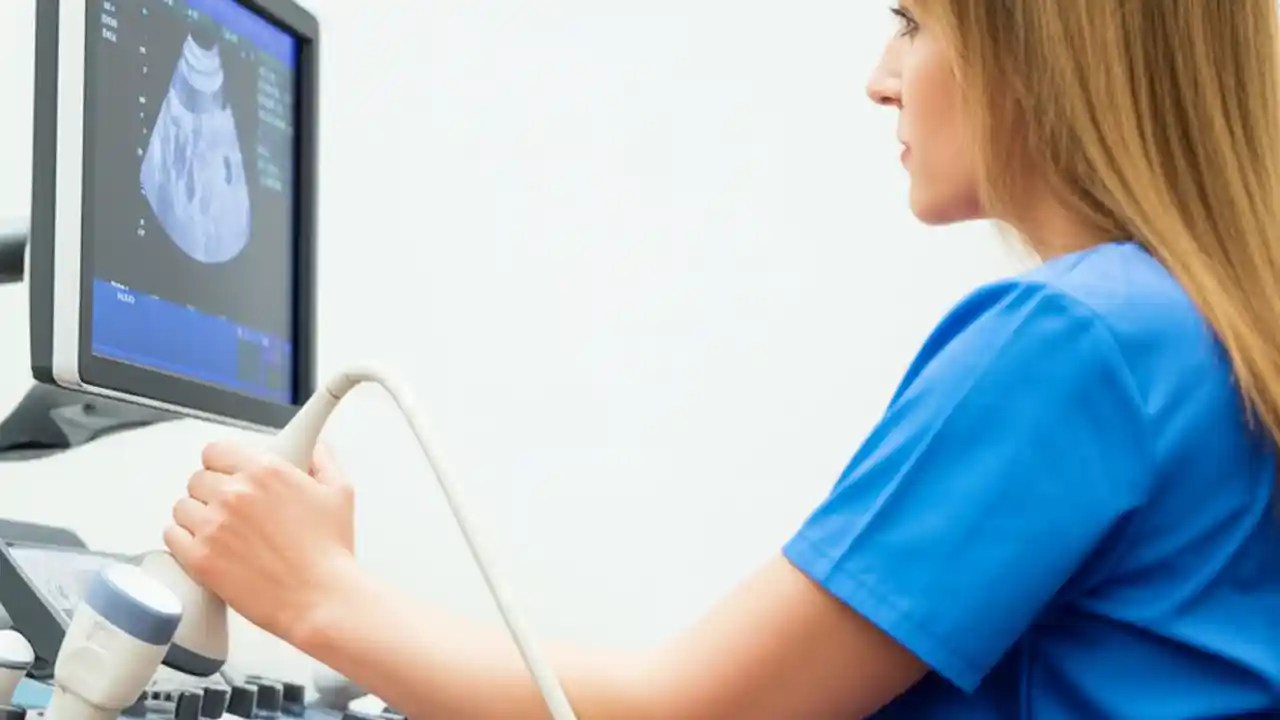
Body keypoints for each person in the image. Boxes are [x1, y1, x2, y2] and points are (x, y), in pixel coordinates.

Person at [165, 1, 1280, 717]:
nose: (879, 77)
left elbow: (696, 719)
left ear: (1037, 43)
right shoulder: (1197, 332)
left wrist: (318, 596)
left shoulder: (1077, 342)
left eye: (910, 22)